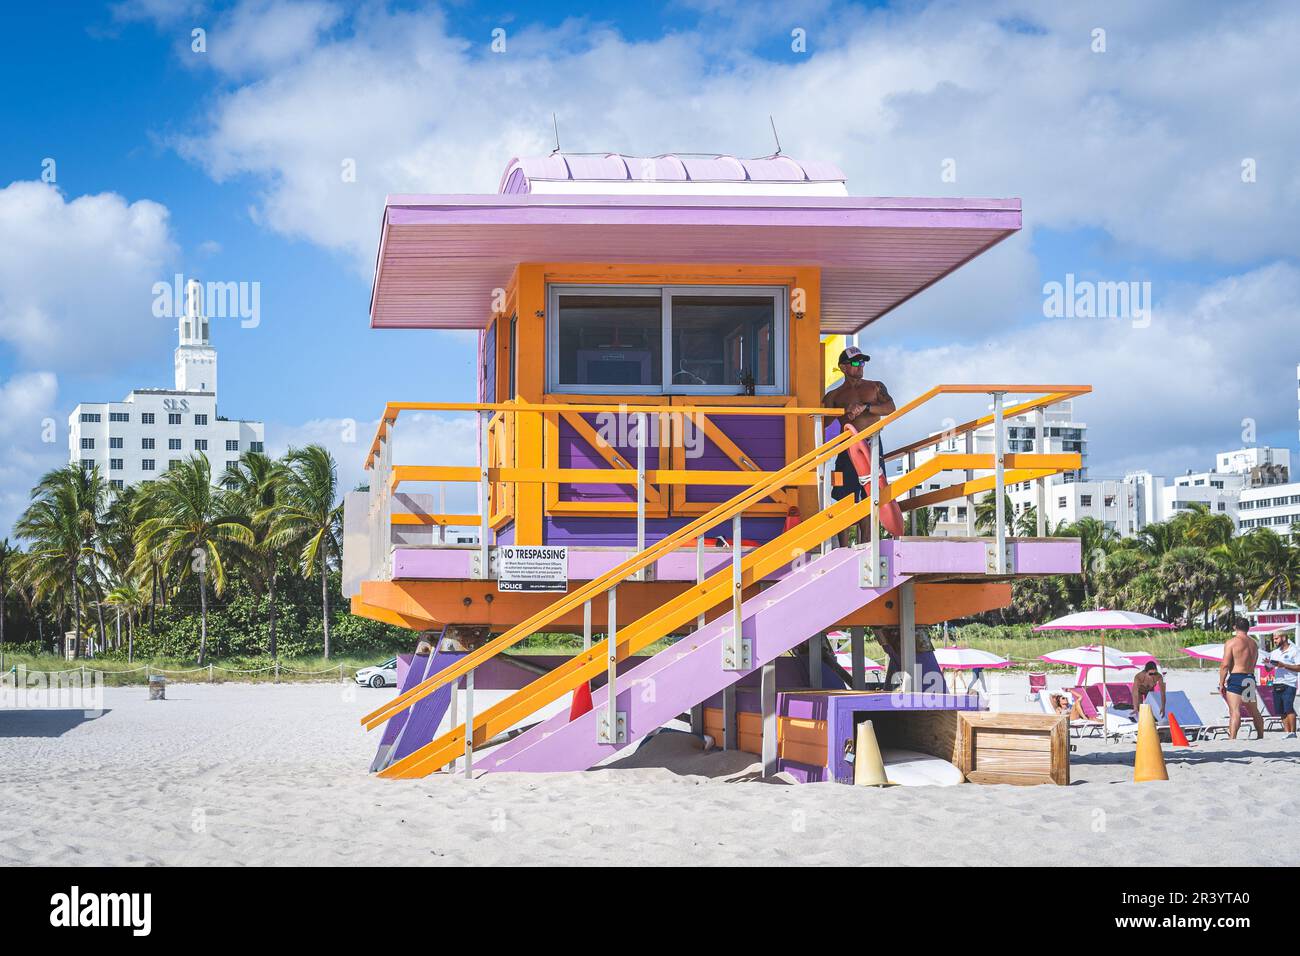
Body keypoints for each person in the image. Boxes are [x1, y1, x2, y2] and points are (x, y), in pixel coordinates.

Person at [824, 346, 896, 547]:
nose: (860, 366)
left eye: (862, 362)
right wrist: (841, 412)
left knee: (870, 494)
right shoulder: (834, 395)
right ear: (843, 368)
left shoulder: (875, 387)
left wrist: (866, 408)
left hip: (872, 445)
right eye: (856, 363)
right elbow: (822, 421)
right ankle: (844, 547)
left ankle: (867, 543)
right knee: (844, 498)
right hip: (847, 448)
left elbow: (891, 407)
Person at [1219, 617, 1265, 740]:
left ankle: (1232, 738)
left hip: (1237, 677)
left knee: (1235, 711)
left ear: (1235, 627)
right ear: (1248, 628)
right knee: (1254, 711)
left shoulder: (1232, 642)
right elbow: (1254, 663)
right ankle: (1260, 736)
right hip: (1250, 677)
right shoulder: (1253, 644)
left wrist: (1221, 683)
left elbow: (1225, 665)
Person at [1266, 627, 1299, 737]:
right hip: (1277, 682)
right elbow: (1268, 668)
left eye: (1276, 638)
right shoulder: (1274, 653)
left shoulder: (1294, 650)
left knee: (1288, 707)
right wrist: (1267, 664)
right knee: (1280, 710)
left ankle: (1293, 732)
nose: (1274, 641)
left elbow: (1299, 667)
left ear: (1284, 638)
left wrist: (1284, 665)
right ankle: (1287, 732)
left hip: (1289, 682)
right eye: (1274, 639)